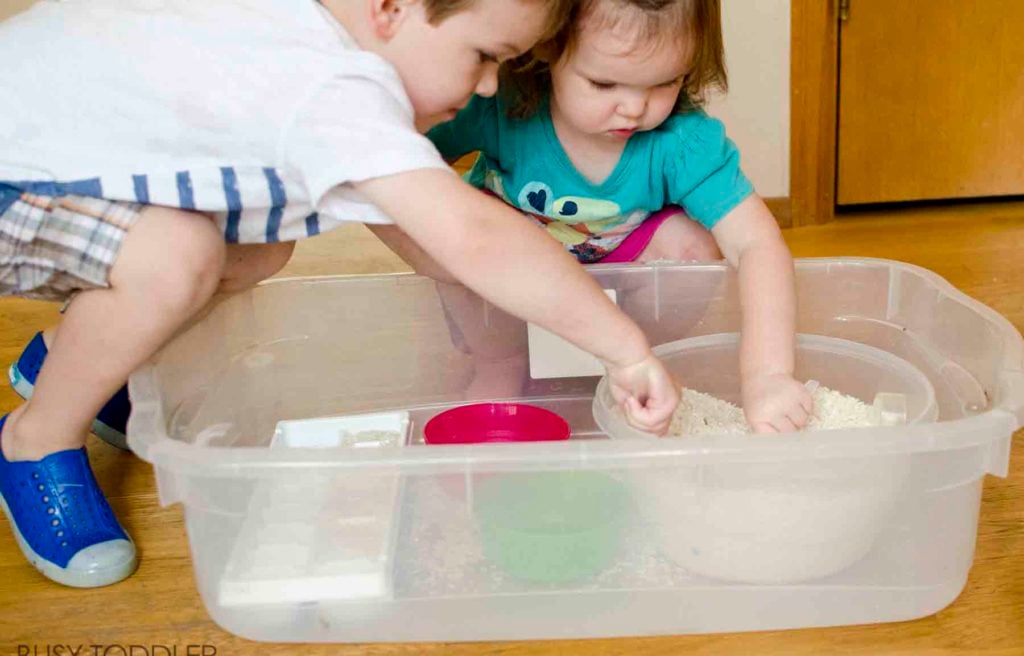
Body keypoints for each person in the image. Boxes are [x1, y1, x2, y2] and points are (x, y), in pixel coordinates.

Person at [0, 0, 679, 589]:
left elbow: (425, 237)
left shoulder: (308, 37)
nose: (488, 85)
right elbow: (472, 236)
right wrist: (622, 345)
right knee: (177, 259)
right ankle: (35, 439)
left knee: (260, 246)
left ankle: (67, 361)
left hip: (53, 145)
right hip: (13, 168)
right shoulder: (333, 84)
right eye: (482, 55)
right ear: (393, 9)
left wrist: (511, 300)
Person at [378, 0, 812, 431]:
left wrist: (768, 375)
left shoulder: (684, 141)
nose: (634, 109)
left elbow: (758, 244)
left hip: (620, 269)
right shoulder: (501, 104)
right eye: (604, 84)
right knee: (458, 231)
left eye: (666, 83)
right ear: (546, 51)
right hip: (511, 270)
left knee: (691, 243)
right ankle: (499, 359)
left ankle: (645, 359)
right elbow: (404, 160)